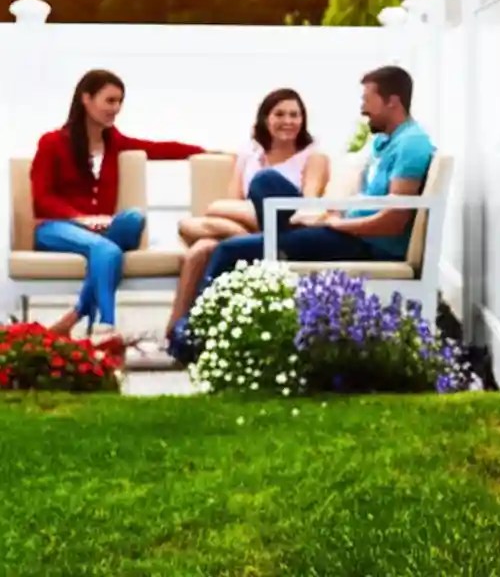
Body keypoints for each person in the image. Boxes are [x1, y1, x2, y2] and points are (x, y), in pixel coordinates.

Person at [169, 66, 435, 362]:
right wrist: (332, 212)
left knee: (229, 249)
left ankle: (190, 337)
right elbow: (370, 197)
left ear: (392, 102)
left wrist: (339, 223)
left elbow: (393, 221)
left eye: (367, 99)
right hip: (346, 231)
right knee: (264, 182)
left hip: (362, 243)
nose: (362, 108)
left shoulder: (411, 144)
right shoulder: (387, 141)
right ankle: (278, 236)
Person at [30, 69, 206, 341]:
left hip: (102, 229)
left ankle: (78, 312)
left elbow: (160, 148)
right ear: (86, 99)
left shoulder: (115, 143)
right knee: (107, 249)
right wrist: (80, 218)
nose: (116, 108)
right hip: (56, 227)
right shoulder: (52, 142)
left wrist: (207, 152)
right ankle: (106, 326)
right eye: (110, 101)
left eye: (119, 102)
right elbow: (42, 198)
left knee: (133, 219)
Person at [163, 88, 329, 341]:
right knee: (196, 240)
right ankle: (175, 333)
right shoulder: (250, 156)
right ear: (265, 119)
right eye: (280, 114)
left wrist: (226, 210)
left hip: (286, 226)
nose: (288, 121)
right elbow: (233, 202)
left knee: (213, 213)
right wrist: (233, 219)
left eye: (295, 115)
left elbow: (307, 206)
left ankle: (192, 331)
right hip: (249, 226)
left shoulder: (312, 156)